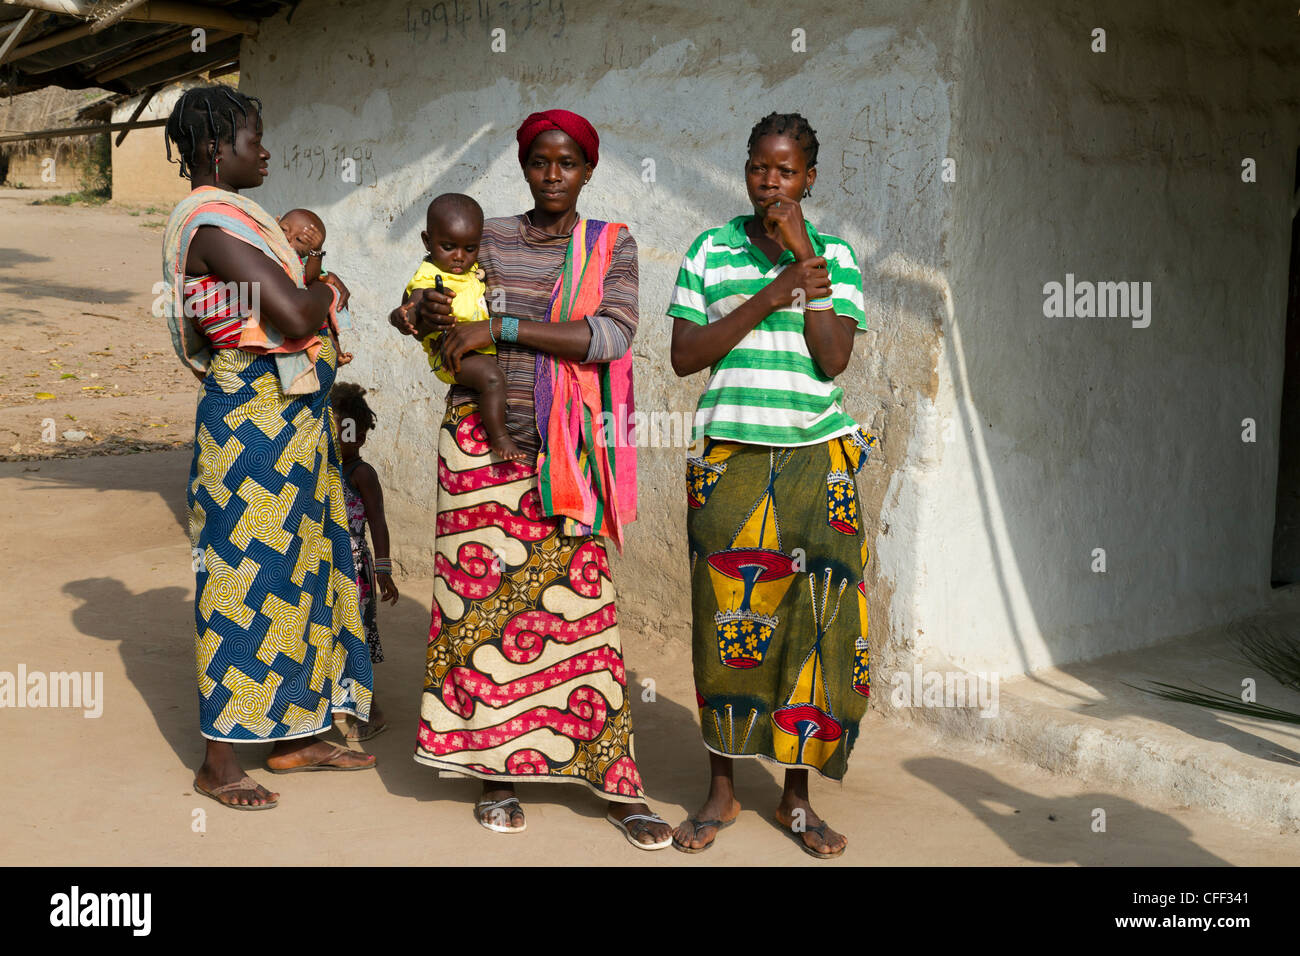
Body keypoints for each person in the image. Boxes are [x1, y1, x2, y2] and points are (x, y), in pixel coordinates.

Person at [389, 109, 672, 849]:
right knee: (480, 608)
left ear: (588, 169)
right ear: (524, 166)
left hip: (569, 449)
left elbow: (609, 336)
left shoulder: (611, 245)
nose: (553, 175)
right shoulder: (488, 235)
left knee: (583, 617)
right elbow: (435, 301)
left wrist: (503, 328)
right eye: (540, 162)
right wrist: (420, 312)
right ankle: (497, 772)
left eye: (568, 163)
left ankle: (613, 783)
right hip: (480, 447)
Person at [666, 111, 877, 857]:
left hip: (817, 459)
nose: (770, 182)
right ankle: (721, 792)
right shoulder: (709, 251)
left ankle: (795, 800)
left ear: (809, 179)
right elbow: (686, 355)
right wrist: (776, 285)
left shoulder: (838, 256)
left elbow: (833, 360)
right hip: (731, 459)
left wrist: (808, 265)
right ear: (747, 169)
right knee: (727, 623)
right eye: (760, 167)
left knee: (812, 630)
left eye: (786, 171)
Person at [162, 85, 376, 811]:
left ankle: (294, 737)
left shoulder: (238, 225)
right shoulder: (210, 226)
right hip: (248, 426)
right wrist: (327, 293)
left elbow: (287, 298)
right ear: (217, 151)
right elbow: (288, 310)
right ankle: (219, 762)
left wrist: (308, 287)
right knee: (240, 582)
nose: (267, 152)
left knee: (298, 575)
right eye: (255, 141)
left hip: (286, 423)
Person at [396, 193, 522, 460]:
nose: (459, 257)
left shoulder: (471, 269)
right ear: (427, 241)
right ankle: (499, 438)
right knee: (493, 379)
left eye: (469, 248)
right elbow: (417, 304)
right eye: (449, 246)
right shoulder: (430, 274)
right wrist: (410, 315)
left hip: (476, 350)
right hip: (451, 355)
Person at [331, 382, 398, 742]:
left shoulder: (361, 473)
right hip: (326, 568)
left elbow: (378, 521)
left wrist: (384, 571)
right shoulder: (323, 471)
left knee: (356, 636)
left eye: (350, 431)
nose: (344, 437)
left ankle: (371, 710)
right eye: (337, 428)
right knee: (330, 635)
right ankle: (337, 704)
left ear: (361, 436)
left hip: (355, 569)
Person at [278, 207, 352, 366]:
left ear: (309, 251)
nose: (288, 238)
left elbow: (310, 278)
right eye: (283, 229)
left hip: (301, 320)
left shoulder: (305, 262)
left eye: (300, 240)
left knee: (328, 319)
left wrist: (316, 254)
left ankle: (337, 353)